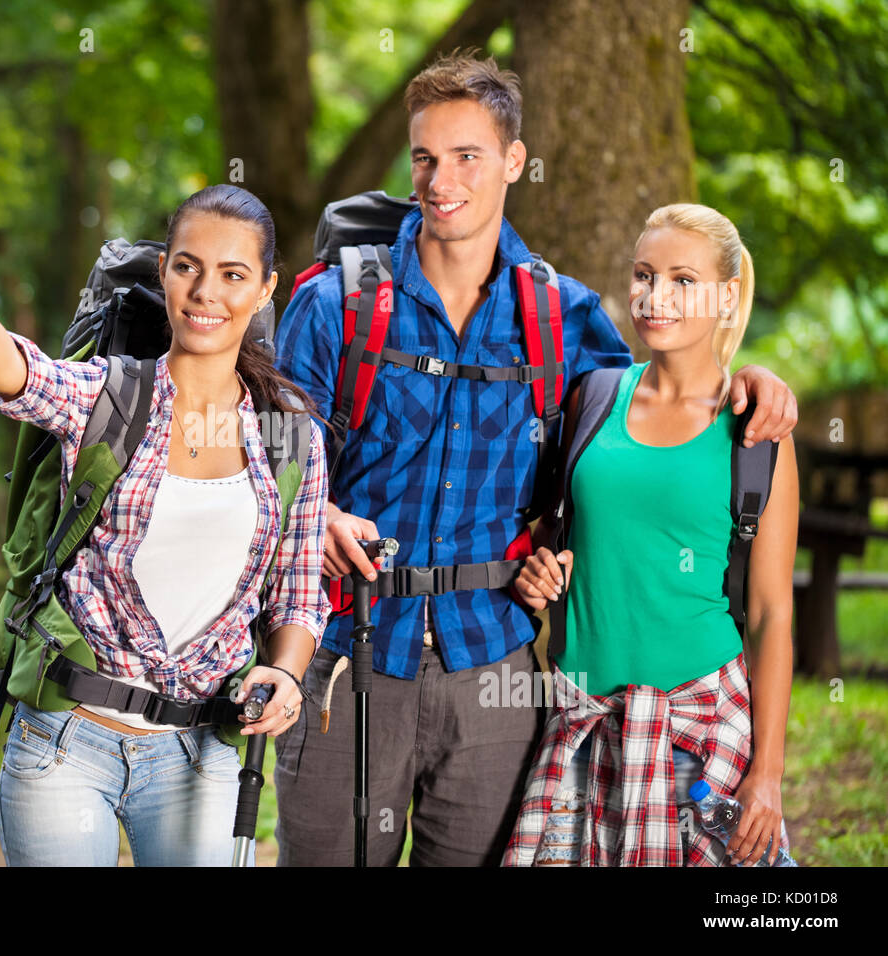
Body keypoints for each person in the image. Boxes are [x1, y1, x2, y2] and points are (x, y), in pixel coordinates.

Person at [271, 48, 798, 866]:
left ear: (514, 161)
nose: (440, 180)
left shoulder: (565, 317)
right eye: (425, 157)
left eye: (468, 156)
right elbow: (268, 461)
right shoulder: (334, 303)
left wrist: (755, 378)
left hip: (496, 672)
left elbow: (648, 417)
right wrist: (324, 512)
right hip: (348, 657)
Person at [0, 184, 330, 866]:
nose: (206, 291)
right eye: (188, 266)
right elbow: (20, 374)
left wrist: (289, 675)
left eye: (233, 274)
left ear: (266, 288)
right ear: (164, 273)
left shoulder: (290, 433)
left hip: (204, 754)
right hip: (67, 741)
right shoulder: (111, 395)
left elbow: (297, 593)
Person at [503, 203, 797, 866]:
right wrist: (541, 569)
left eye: (682, 280)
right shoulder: (595, 396)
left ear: (727, 296)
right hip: (581, 720)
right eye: (644, 275)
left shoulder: (755, 432)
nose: (655, 296)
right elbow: (560, 536)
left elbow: (773, 613)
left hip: (699, 726)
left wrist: (769, 775)